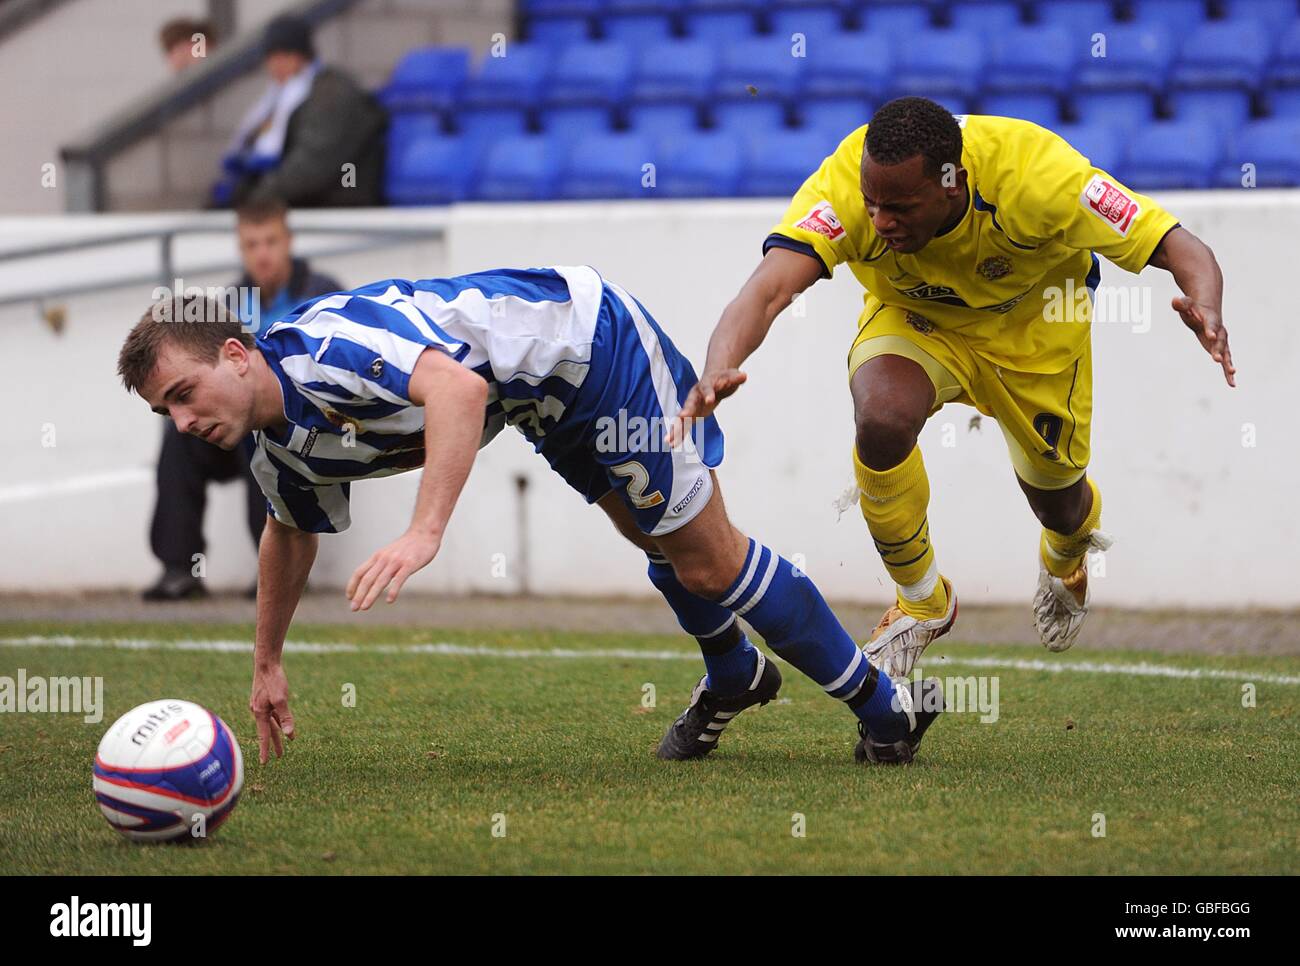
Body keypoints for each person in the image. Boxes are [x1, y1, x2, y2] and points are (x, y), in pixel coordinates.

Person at [117, 267, 944, 766]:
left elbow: (459, 389)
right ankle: (734, 674)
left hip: (588, 344)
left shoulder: (328, 349)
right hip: (538, 400)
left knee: (706, 558)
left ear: (234, 353)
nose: (184, 422)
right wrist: (266, 661)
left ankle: (886, 710)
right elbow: (288, 530)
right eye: (167, 414)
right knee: (648, 535)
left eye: (184, 395)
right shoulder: (273, 449)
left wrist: (425, 531)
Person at [672, 97, 1234, 677]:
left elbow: (1179, 245)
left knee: (1060, 505)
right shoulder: (844, 187)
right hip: (917, 321)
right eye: (872, 204)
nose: (881, 221)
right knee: (882, 418)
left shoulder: (1037, 174)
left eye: (899, 207)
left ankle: (1066, 557)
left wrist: (1207, 306)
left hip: (1037, 336)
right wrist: (719, 365)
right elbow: (767, 289)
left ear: (952, 183)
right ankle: (922, 602)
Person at [142, 199, 342, 601]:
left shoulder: (321, 293)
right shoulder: (235, 303)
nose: (262, 253)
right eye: (252, 244)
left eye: (270, 241)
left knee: (260, 429)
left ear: (288, 242)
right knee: (178, 438)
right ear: (241, 249)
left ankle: (275, 572)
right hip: (245, 425)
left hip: (311, 429)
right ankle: (179, 569)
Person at [212, 14, 386, 208]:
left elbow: (312, 166)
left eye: (282, 56)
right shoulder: (284, 97)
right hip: (306, 202)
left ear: (301, 55)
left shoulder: (333, 94)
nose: (274, 67)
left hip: (339, 205)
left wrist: (254, 202)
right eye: (270, 58)